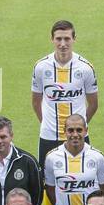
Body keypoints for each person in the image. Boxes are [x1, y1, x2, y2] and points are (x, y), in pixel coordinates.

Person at [31, 19, 99, 165]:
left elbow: (93, 104)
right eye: (58, 39)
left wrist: (80, 126)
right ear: (52, 39)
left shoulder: (85, 68)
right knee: (46, 182)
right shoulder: (41, 67)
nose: (63, 44)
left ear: (74, 39)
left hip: (78, 137)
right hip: (49, 136)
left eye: (67, 38)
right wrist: (47, 124)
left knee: (81, 176)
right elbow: (36, 102)